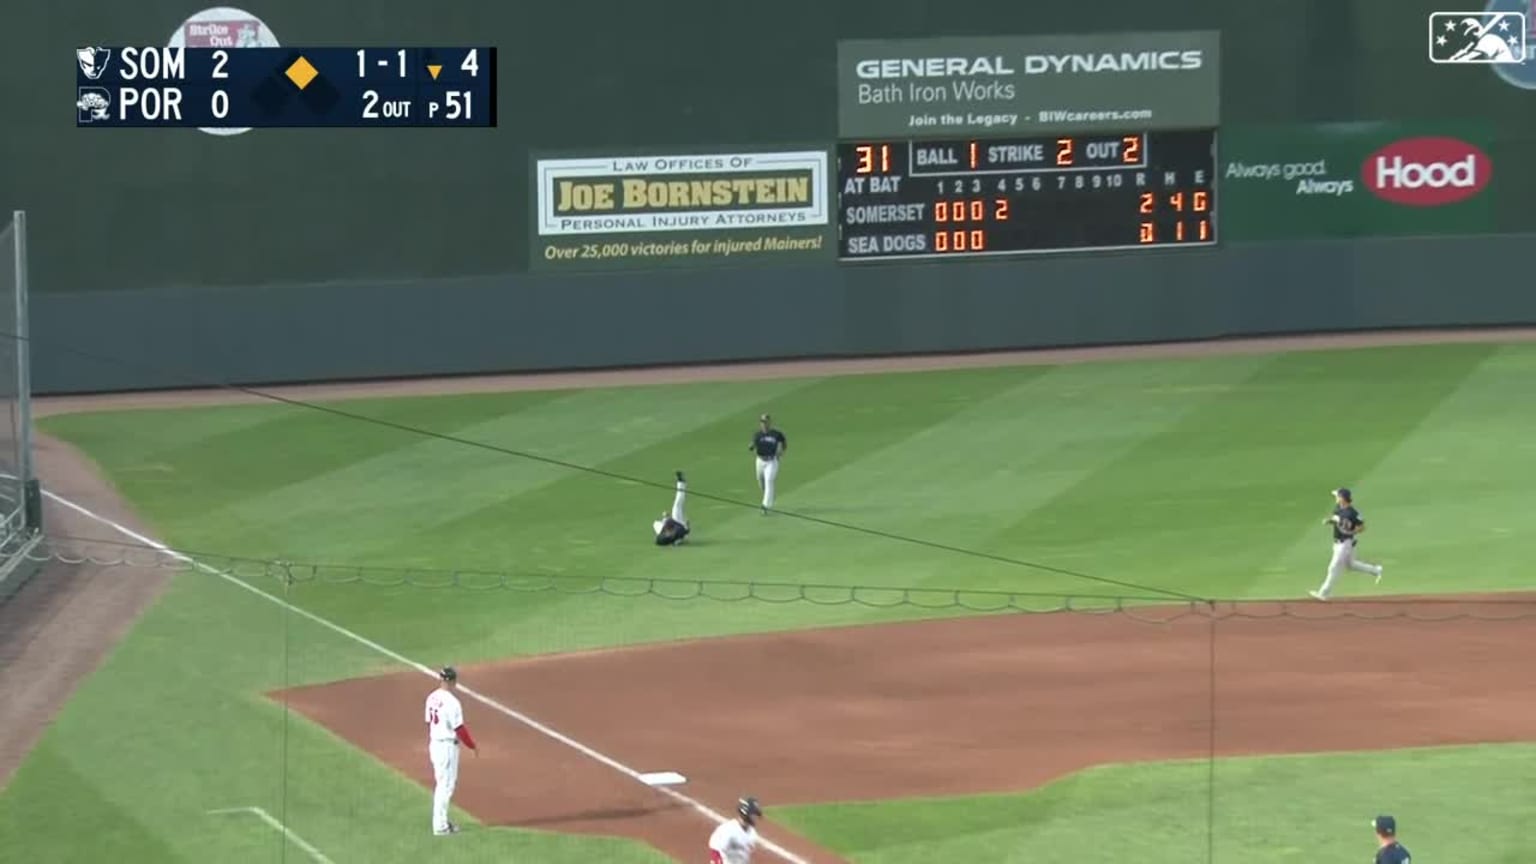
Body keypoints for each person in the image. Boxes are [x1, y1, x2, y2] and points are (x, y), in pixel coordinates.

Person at [424, 666, 478, 836]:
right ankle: (440, 826)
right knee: (445, 787)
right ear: (453, 681)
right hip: (447, 747)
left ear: (441, 680)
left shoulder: (431, 697)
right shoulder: (452, 702)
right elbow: (459, 729)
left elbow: (429, 722)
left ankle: (441, 822)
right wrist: (472, 746)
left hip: (435, 744)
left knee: (442, 784)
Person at [1309, 487, 1383, 601]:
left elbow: (1362, 527)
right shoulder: (1338, 508)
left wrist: (1352, 531)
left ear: (1342, 498)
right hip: (1338, 543)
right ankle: (1376, 570)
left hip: (1345, 544)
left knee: (1333, 567)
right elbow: (1336, 520)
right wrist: (1329, 521)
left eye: (1337, 496)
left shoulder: (1353, 513)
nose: (1336, 498)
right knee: (1351, 565)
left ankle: (1324, 593)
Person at [749, 414, 787, 514]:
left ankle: (765, 506)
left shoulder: (776, 434)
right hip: (760, 461)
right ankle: (770, 496)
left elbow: (783, 442)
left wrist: (781, 451)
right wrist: (752, 446)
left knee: (769, 480)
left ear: (769, 422)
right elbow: (752, 445)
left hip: (772, 461)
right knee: (761, 482)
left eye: (765, 422)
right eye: (762, 422)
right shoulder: (757, 435)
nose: (764, 424)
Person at [708, 796, 763, 864]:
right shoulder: (728, 830)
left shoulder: (752, 834)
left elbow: (745, 857)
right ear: (746, 814)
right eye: (754, 814)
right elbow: (715, 850)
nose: (756, 817)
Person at [654, 470, 690, 546]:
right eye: (669, 534)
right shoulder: (678, 532)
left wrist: (665, 517)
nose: (668, 533)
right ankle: (681, 482)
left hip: (670, 525)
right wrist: (687, 526)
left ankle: (681, 482)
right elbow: (683, 529)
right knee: (677, 506)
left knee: (655, 523)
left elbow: (667, 523)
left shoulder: (662, 529)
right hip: (679, 523)